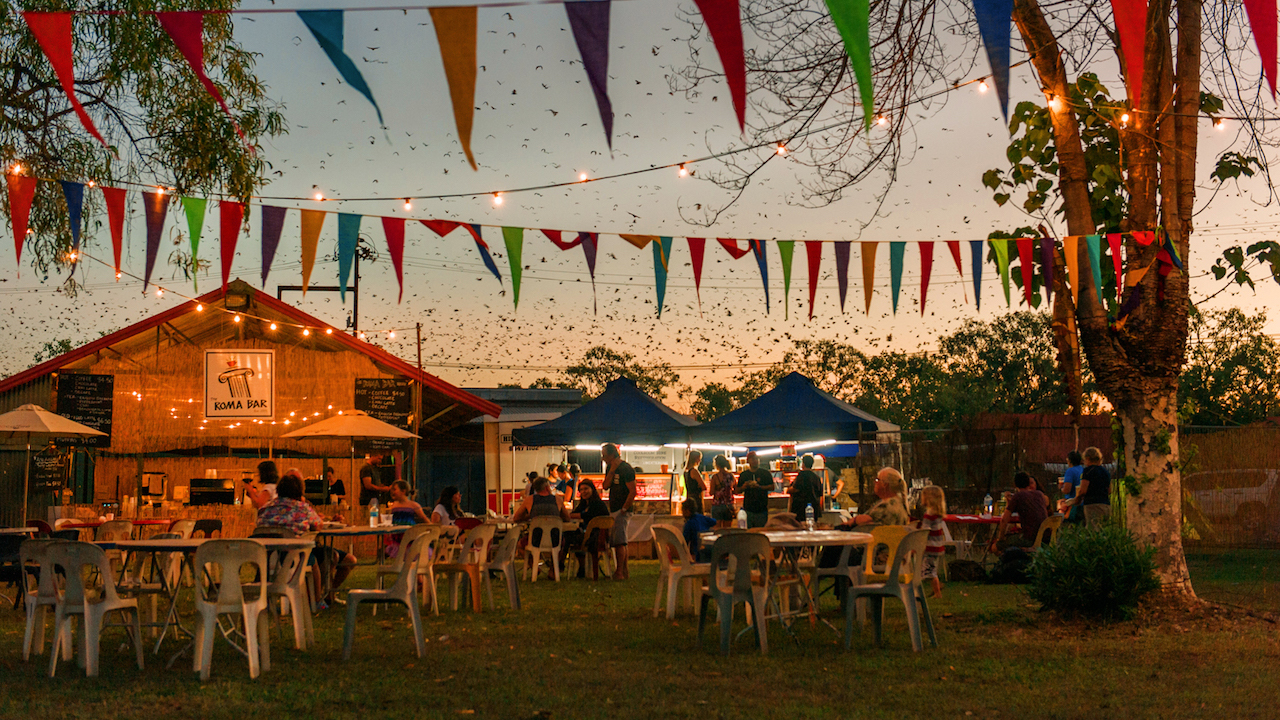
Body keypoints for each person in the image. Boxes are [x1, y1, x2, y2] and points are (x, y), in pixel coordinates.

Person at [256, 470, 355, 601]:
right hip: (296, 556)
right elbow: (318, 524)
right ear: (299, 491)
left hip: (267, 558)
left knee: (326, 555)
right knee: (319, 557)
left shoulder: (264, 509)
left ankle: (322, 597)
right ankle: (317, 599)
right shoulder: (302, 508)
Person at [601, 442, 637, 580]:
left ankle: (620, 572)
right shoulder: (611, 467)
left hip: (622, 509)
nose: (602, 458)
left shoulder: (626, 469)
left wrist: (624, 508)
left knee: (619, 542)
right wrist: (611, 470)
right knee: (619, 540)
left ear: (611, 454)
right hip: (615, 507)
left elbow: (632, 491)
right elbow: (605, 486)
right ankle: (624, 571)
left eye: (604, 455)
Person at [989, 472, 1049, 552]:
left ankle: (1005, 562)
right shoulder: (1040, 494)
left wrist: (1000, 539)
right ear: (1028, 483)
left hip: (1030, 539)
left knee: (995, 546)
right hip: (1046, 537)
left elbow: (1004, 520)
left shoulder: (1018, 496)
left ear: (1015, 485)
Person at [564, 479, 611, 577]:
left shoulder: (598, 504)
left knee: (569, 537)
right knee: (569, 535)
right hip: (587, 535)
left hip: (597, 537)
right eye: (581, 490)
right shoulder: (584, 504)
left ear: (592, 489)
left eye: (586, 489)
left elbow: (586, 515)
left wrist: (573, 516)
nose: (583, 492)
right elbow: (575, 513)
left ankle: (563, 563)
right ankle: (578, 566)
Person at [838, 467, 910, 528]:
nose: (875, 483)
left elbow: (868, 519)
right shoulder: (898, 503)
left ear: (885, 485)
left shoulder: (888, 505)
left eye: (877, 480)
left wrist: (855, 520)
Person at [1063, 446, 1112, 528]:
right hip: (1105, 504)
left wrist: (1076, 500)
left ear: (1088, 458)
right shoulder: (1105, 472)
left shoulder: (1088, 471)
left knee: (1093, 530)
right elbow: (1109, 490)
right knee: (1103, 529)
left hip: (1092, 505)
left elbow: (1083, 490)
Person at [917, 486, 948, 598]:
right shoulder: (937, 515)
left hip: (930, 547)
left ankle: (937, 592)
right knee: (931, 569)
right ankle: (937, 587)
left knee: (929, 571)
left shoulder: (929, 515)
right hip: (938, 546)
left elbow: (924, 531)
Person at [736, 451, 774, 528]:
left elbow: (772, 487)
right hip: (748, 509)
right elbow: (737, 490)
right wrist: (743, 487)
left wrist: (759, 487)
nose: (755, 461)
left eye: (756, 459)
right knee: (749, 533)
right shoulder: (744, 475)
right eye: (753, 459)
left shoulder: (765, 473)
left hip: (762, 509)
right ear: (748, 461)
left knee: (761, 532)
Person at [681, 497, 717, 563]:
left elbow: (684, 542)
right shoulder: (701, 517)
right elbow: (714, 522)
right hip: (710, 549)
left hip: (698, 553)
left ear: (687, 511)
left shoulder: (689, 524)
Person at [788, 454, 825, 518]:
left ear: (803, 464)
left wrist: (788, 489)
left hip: (801, 509)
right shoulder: (816, 477)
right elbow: (820, 494)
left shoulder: (802, 475)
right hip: (814, 508)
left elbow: (795, 489)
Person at [708, 455, 737, 528]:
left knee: (717, 529)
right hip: (728, 505)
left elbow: (711, 492)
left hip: (717, 505)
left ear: (716, 464)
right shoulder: (731, 476)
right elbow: (736, 490)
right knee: (727, 530)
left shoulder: (715, 477)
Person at [1059, 451, 1085, 524]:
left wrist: (1061, 488)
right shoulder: (1083, 470)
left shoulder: (1070, 471)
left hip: (1072, 504)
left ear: (1069, 460)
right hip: (1083, 503)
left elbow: (1067, 489)